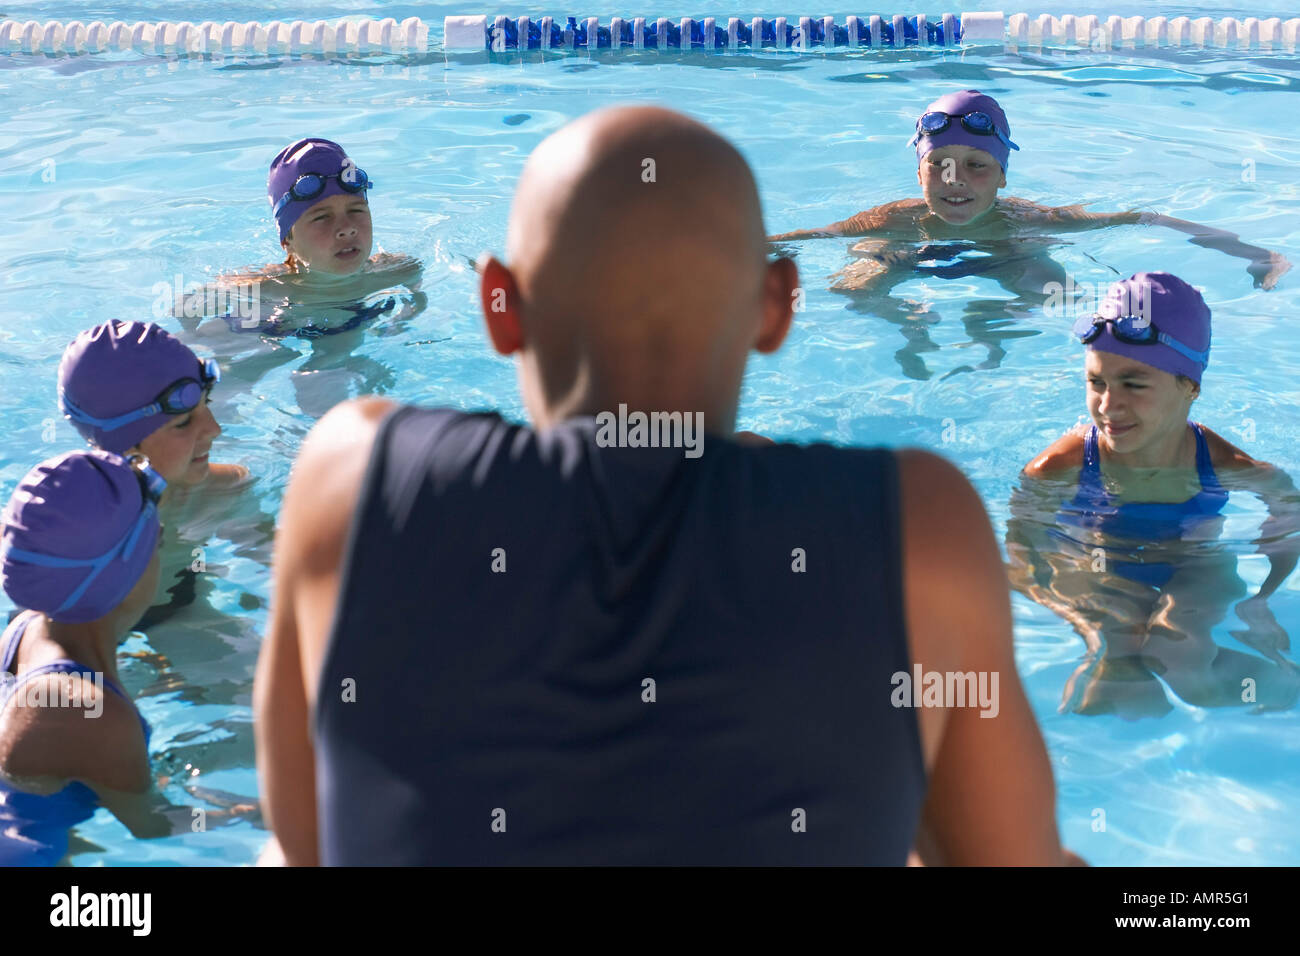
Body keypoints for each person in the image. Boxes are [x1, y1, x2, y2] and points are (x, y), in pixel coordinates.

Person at [256, 105, 1078, 866]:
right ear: (778, 309)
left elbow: (300, 843)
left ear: (498, 306)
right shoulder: (919, 524)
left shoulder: (350, 476)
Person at [769, 90, 1290, 380]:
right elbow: (807, 236)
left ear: (1002, 175)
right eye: (940, 165)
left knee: (1054, 290)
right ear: (919, 173)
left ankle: (992, 327)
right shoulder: (892, 219)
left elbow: (1142, 218)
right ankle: (910, 324)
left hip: (1004, 258)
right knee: (852, 284)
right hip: (911, 255)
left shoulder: (1032, 220)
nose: (956, 181)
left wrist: (1253, 253)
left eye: (976, 165)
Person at [1007, 272, 1300, 718]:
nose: (1108, 406)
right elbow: (1024, 553)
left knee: (1190, 672)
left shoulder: (1228, 467)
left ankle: (1286, 688)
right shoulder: (1056, 470)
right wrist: (1075, 613)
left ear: (1190, 387)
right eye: (1097, 383)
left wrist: (1262, 602)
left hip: (1194, 562)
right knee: (1114, 654)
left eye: (1134, 384)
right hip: (1095, 557)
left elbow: (1288, 514)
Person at [0, 450, 257, 864]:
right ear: (126, 572)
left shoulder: (26, 628)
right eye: (156, 544)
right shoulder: (93, 711)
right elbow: (152, 824)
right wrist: (245, 816)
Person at [179, 137, 424, 340]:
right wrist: (190, 328)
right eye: (321, 217)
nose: (346, 229)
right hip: (274, 325)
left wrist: (397, 326)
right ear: (287, 240)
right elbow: (186, 306)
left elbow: (417, 302)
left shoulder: (398, 271)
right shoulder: (267, 286)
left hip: (352, 324)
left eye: (356, 211)